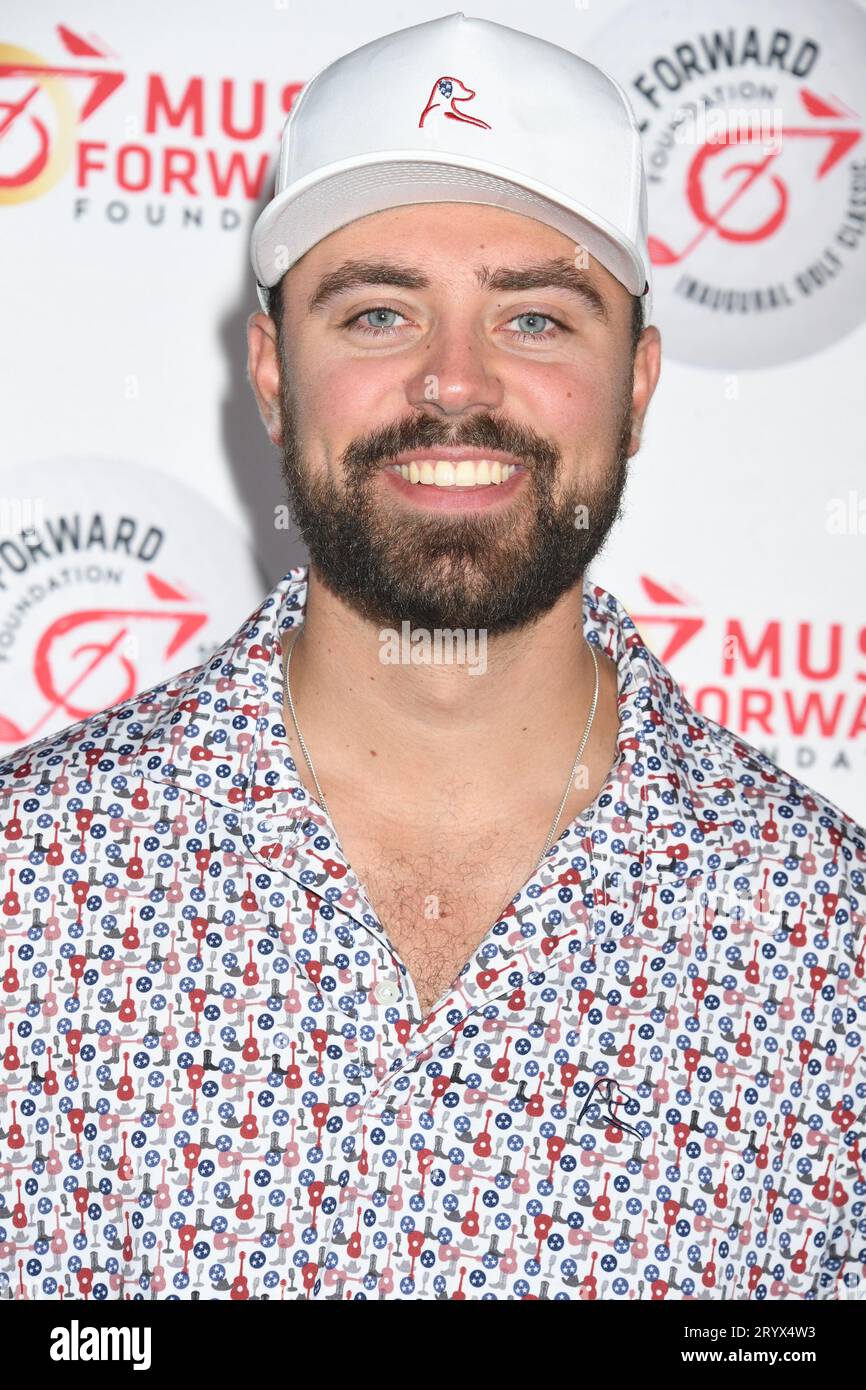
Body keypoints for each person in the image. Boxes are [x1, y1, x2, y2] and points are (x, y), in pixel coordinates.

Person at [1, 12, 863, 1303]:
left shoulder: (822, 946)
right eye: (377, 313)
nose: (452, 386)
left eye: (532, 319)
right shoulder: (34, 892)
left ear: (635, 384)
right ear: (271, 375)